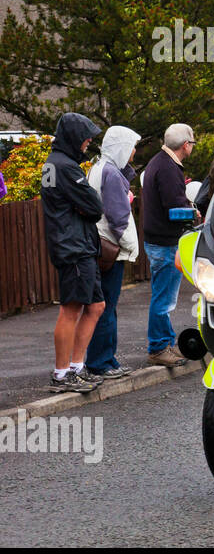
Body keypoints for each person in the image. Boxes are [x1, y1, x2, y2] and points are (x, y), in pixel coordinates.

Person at [40, 113, 106, 393]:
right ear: (73, 137)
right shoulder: (65, 167)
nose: (88, 142)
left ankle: (76, 368)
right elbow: (94, 207)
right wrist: (85, 205)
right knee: (71, 309)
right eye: (85, 137)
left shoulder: (53, 164)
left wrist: (83, 205)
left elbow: (86, 206)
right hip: (74, 246)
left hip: (76, 243)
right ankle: (61, 374)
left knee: (95, 306)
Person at [140, 123, 201, 367]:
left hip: (156, 239)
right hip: (165, 242)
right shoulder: (168, 168)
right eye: (192, 143)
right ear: (186, 145)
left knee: (163, 295)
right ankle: (158, 347)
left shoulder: (158, 162)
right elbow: (174, 205)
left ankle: (165, 342)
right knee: (164, 298)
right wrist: (194, 213)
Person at [86, 125, 142, 379]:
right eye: (131, 146)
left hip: (98, 245)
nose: (134, 151)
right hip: (111, 248)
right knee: (107, 306)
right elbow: (119, 217)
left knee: (103, 305)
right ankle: (102, 362)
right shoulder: (110, 173)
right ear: (121, 147)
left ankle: (105, 358)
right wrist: (130, 245)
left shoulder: (99, 167)